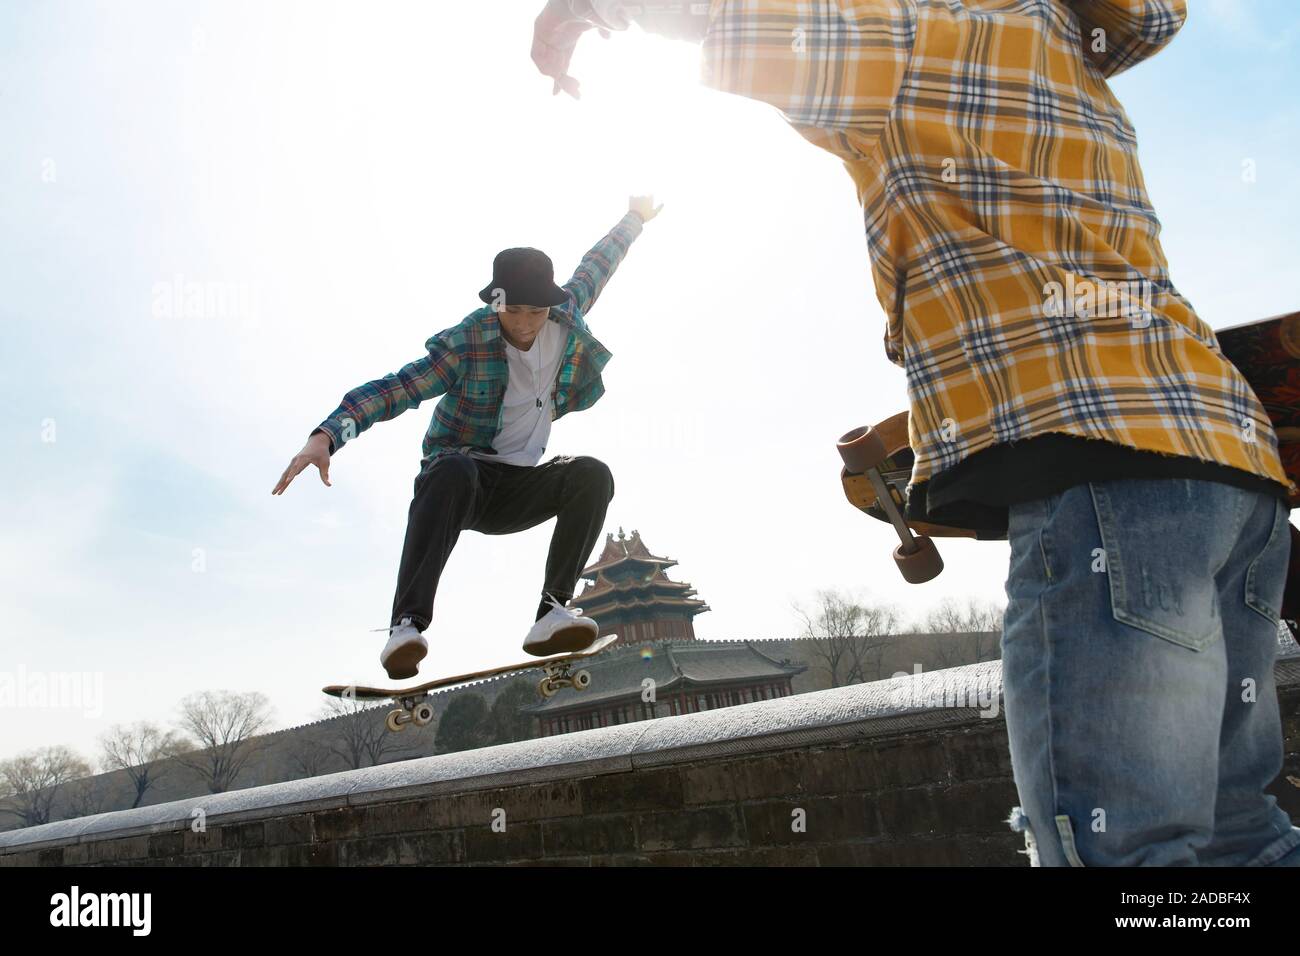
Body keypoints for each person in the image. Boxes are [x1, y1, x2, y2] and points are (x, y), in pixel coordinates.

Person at [529, 0, 1300, 866]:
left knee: (1117, 846)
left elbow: (736, 28)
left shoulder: (913, 35)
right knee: (1242, 828)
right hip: (1231, 469)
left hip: (1100, 477)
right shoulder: (1058, 44)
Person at [273, 196, 661, 679]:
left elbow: (598, 264)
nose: (523, 325)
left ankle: (551, 612)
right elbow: (398, 387)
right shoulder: (467, 342)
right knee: (453, 467)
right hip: (462, 485)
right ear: (496, 302)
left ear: (551, 306)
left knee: (591, 475)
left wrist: (636, 218)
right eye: (513, 312)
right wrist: (326, 436)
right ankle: (406, 626)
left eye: (534, 314)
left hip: (521, 487)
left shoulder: (566, 314)